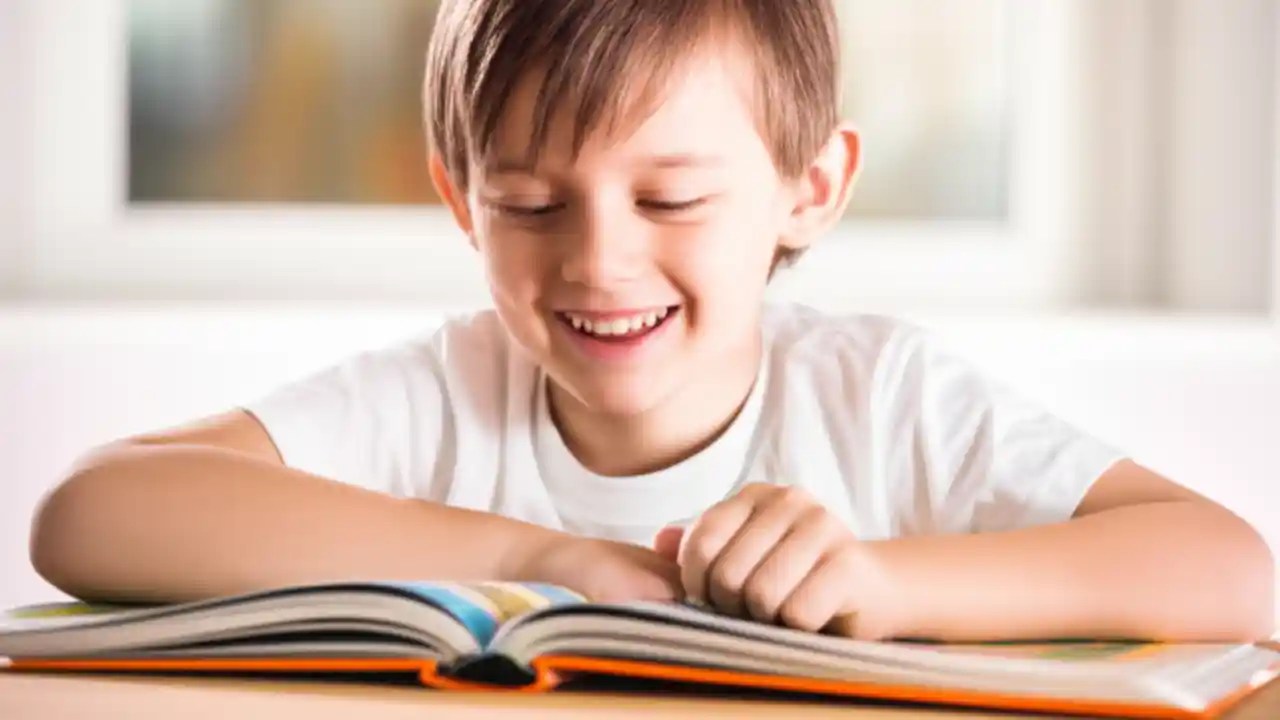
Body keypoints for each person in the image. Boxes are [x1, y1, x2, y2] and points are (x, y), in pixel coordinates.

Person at [29, 0, 1273, 643]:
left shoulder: (878, 395)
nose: (598, 258)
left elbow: (1227, 570)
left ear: (811, 188)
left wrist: (879, 581)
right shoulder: (442, 393)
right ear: (460, 201)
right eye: (528, 201)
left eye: (670, 196)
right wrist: (534, 564)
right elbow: (91, 513)